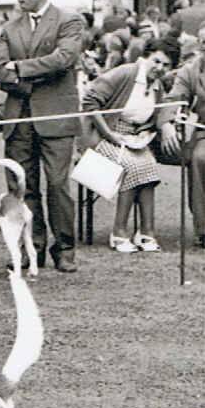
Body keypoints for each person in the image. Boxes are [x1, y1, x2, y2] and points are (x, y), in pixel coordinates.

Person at [0, 0, 87, 273]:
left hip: (56, 118)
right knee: (22, 188)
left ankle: (65, 250)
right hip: (18, 118)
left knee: (58, 185)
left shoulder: (69, 21)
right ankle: (30, 250)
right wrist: (28, 76)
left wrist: (20, 69)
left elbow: (64, 59)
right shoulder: (8, 28)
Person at [82, 40, 178, 253]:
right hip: (102, 136)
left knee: (150, 167)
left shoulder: (157, 85)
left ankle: (146, 233)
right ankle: (118, 232)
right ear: (145, 57)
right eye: (157, 61)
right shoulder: (124, 73)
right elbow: (90, 102)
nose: (159, 68)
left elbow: (149, 115)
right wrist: (110, 134)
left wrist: (145, 130)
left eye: (166, 65)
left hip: (132, 139)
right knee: (132, 167)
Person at [162, 41, 205, 248]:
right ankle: (203, 229)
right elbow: (174, 99)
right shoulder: (191, 71)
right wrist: (166, 125)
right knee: (200, 157)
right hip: (204, 131)